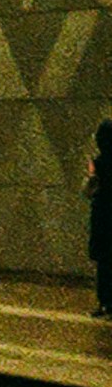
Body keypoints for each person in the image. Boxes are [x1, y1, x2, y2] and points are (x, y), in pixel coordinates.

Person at [90, 122, 112, 316]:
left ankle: (105, 301)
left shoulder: (98, 162)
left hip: (103, 215)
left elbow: (88, 190)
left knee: (104, 262)